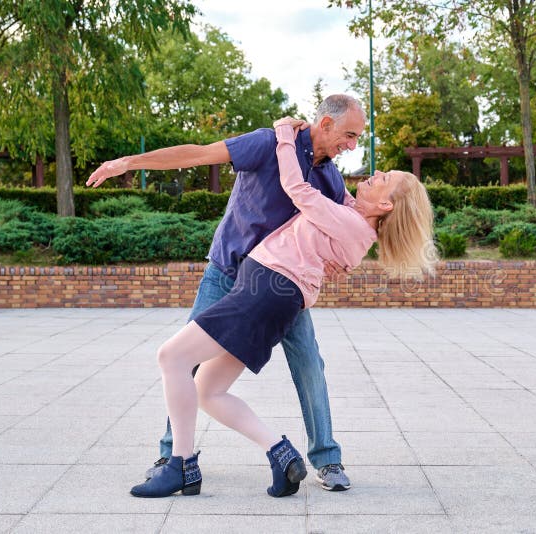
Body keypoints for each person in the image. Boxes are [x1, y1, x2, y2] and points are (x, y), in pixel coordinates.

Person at [124, 117, 435, 498]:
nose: (374, 168)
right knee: (207, 388)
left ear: (386, 203)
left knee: (172, 357)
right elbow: (343, 222)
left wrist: (283, 134)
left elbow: (297, 190)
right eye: (351, 135)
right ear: (325, 124)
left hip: (264, 288)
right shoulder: (355, 217)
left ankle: (180, 465)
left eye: (385, 178)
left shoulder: (348, 217)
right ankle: (280, 453)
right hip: (267, 289)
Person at [87, 94, 365, 492]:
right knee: (186, 361)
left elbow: (343, 231)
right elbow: (198, 154)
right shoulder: (268, 143)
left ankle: (327, 458)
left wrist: (337, 262)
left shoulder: (330, 180)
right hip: (226, 271)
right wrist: (129, 162)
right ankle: (172, 454)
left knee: (309, 364)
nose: (352, 145)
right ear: (324, 123)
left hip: (276, 286)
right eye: (349, 135)